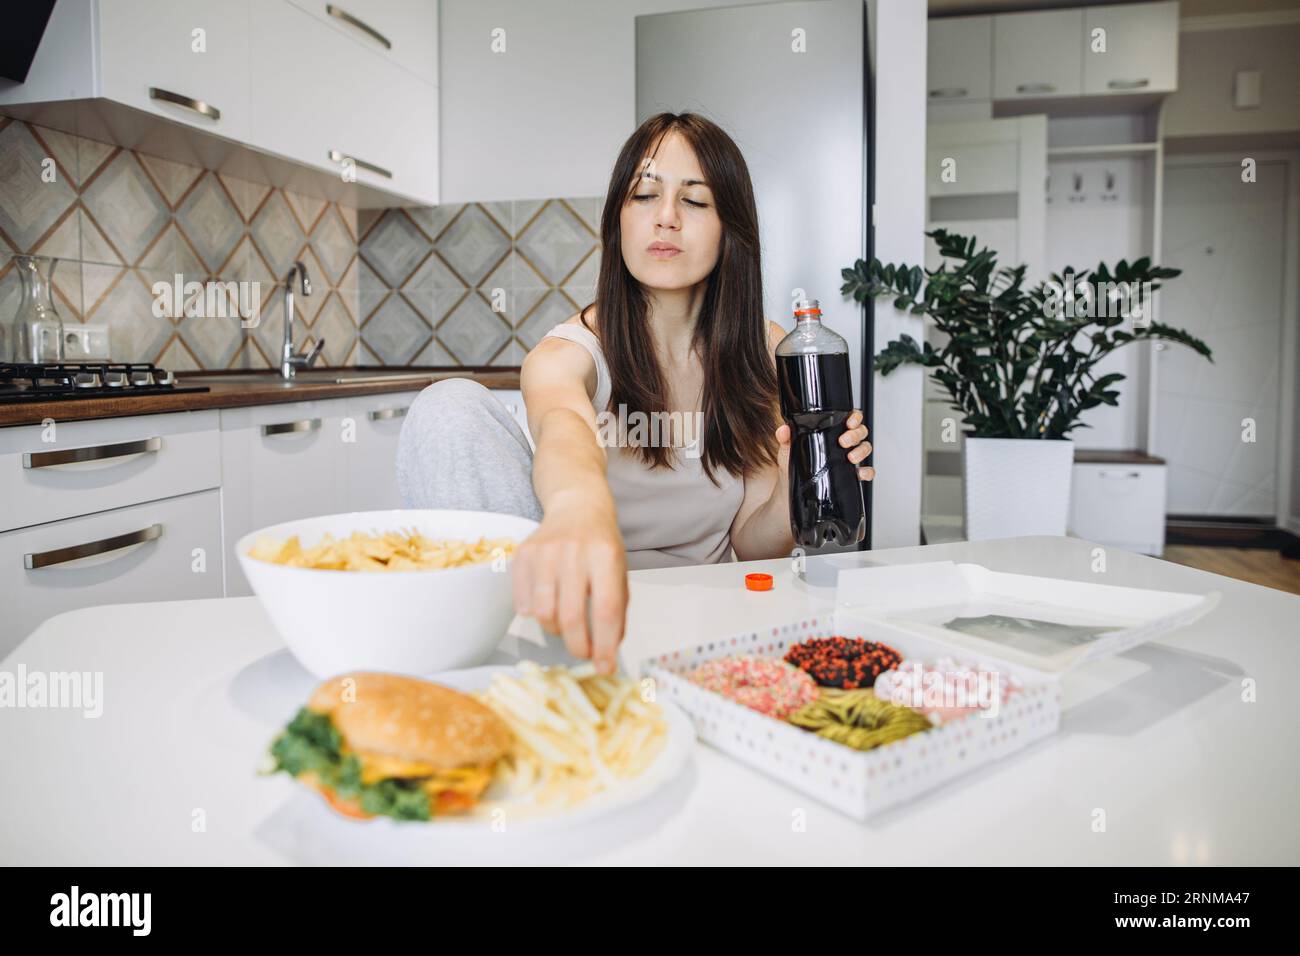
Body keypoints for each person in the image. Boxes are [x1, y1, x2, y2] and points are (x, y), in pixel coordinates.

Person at [397, 112, 874, 675]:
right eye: (645, 195)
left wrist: (797, 477)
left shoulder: (771, 351)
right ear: (617, 221)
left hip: (713, 608)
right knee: (448, 406)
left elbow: (752, 543)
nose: (666, 218)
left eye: (695, 202)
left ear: (730, 228)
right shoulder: (570, 352)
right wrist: (578, 508)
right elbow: (563, 430)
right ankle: (497, 669)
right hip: (582, 603)